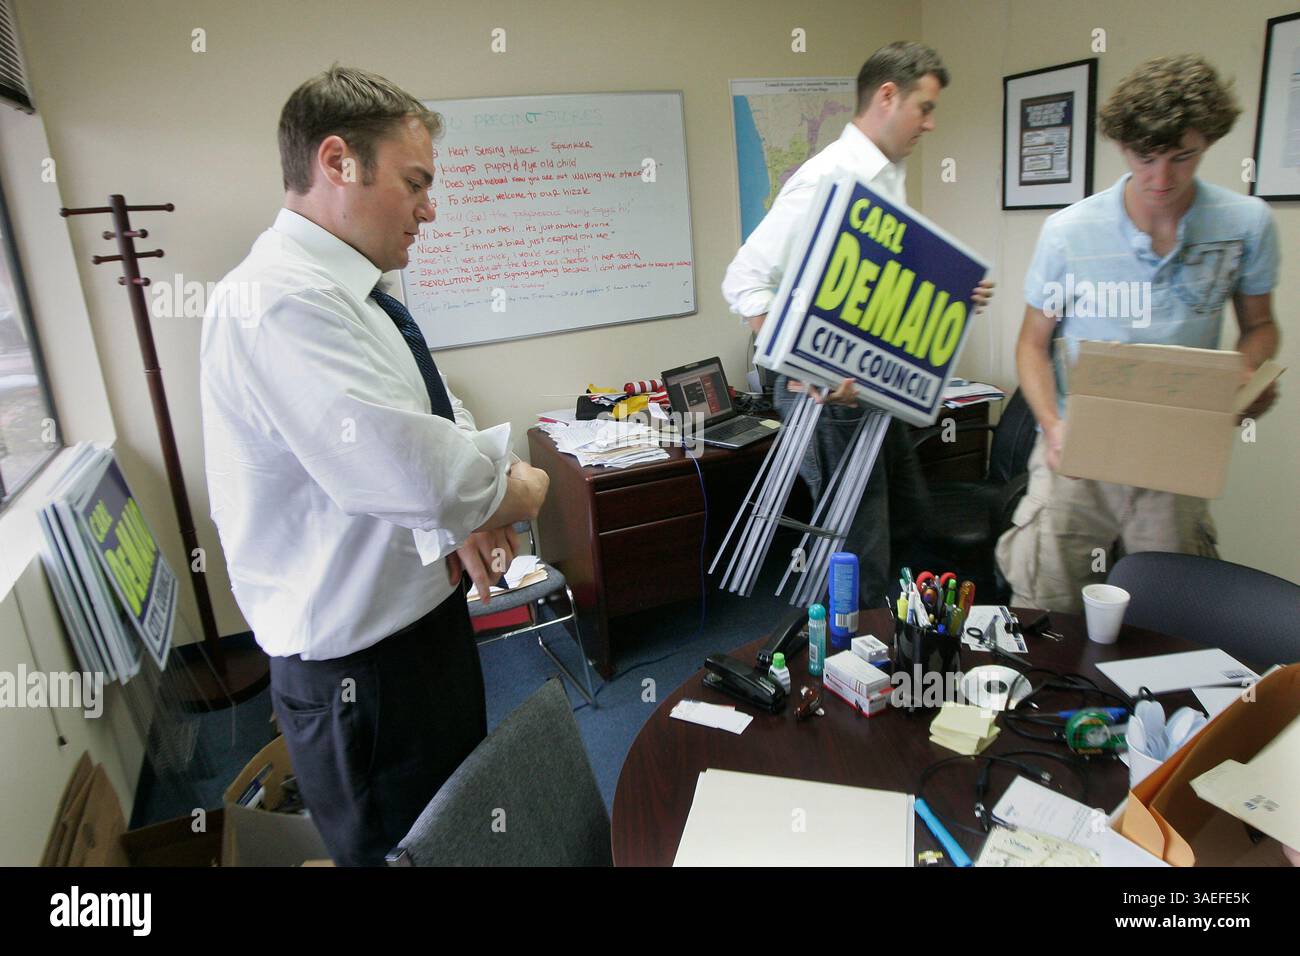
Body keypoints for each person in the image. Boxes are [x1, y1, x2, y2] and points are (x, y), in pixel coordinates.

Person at [199, 66, 550, 865]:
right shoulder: (283, 302)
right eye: (415, 182)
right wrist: (512, 491)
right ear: (337, 162)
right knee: (405, 852)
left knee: (456, 834)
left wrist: (461, 526)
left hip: (417, 630)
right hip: (363, 673)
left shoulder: (357, 291)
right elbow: (417, 477)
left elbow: (431, 412)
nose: (431, 207)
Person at [996, 54, 1280, 614]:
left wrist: (1247, 375)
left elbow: (1261, 327)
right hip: (1077, 453)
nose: (1161, 179)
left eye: (1183, 157)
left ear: (1208, 143)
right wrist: (1052, 426)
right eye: (1144, 158)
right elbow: (1032, 344)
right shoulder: (1069, 232)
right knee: (1048, 609)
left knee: (1171, 613)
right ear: (1123, 147)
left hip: (1174, 456)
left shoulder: (1246, 224)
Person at [722, 41, 992, 608]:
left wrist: (951, 292)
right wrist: (809, 367)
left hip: (872, 387)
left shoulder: (886, 177)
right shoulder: (829, 178)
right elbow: (745, 281)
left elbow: (881, 288)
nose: (932, 124)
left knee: (909, 523)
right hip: (827, 393)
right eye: (925, 108)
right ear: (888, 97)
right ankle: (846, 667)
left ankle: (896, 646)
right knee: (858, 542)